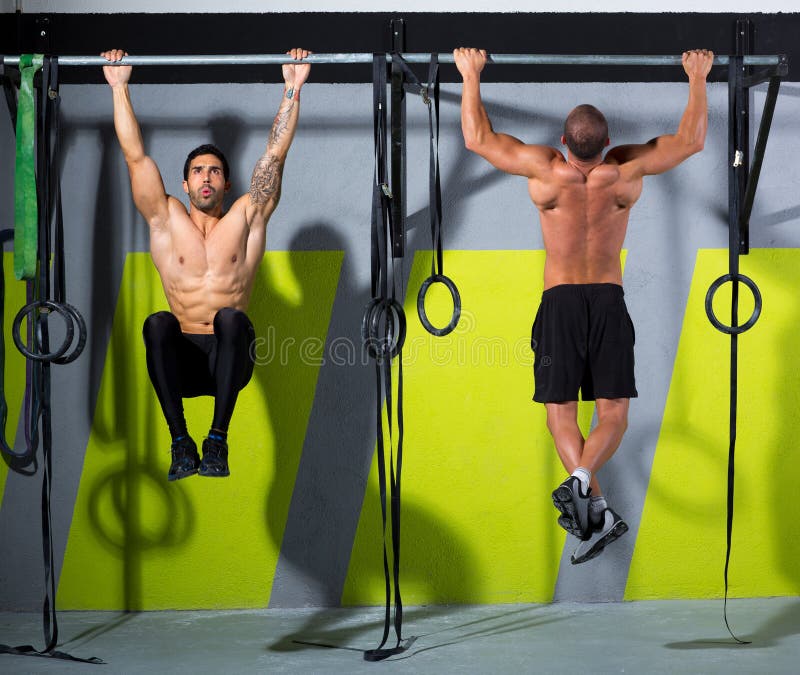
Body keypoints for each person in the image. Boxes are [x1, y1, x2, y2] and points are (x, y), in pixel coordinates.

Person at [454, 47, 713, 563]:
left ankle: (583, 490)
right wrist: (698, 77)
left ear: (562, 142)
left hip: (560, 302)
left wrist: (471, 74)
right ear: (610, 143)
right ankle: (590, 497)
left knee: (559, 412)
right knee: (613, 414)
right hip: (608, 300)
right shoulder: (627, 171)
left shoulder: (545, 171)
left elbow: (476, 138)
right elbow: (692, 140)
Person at [102, 47, 311, 481]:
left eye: (215, 171)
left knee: (232, 319)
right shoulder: (166, 218)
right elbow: (135, 157)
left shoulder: (246, 216)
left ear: (227, 183)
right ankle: (181, 442)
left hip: (227, 362)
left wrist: (292, 88)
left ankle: (217, 439)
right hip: (179, 361)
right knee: (157, 323)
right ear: (185, 183)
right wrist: (120, 88)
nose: (206, 177)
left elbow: (274, 157)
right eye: (198, 171)